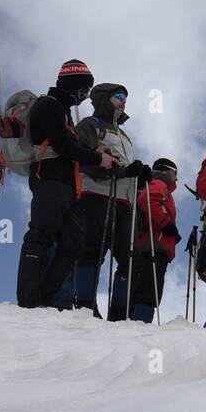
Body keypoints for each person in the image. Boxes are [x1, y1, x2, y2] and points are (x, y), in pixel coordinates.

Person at [16, 59, 116, 308]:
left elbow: (66, 142)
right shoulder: (48, 105)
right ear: (74, 84)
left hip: (69, 184)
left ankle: (46, 296)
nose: (86, 96)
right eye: (85, 89)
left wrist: (93, 149)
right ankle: (29, 299)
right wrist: (96, 157)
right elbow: (62, 144)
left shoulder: (61, 109)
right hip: (49, 178)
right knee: (41, 233)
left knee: (73, 242)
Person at [72, 83, 151, 318]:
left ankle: (119, 311)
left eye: (125, 97)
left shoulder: (123, 134)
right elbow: (82, 160)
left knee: (130, 257)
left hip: (124, 201)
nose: (123, 101)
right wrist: (119, 171)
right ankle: (85, 305)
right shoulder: (90, 125)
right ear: (104, 99)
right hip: (95, 195)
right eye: (119, 96)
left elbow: (123, 165)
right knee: (91, 252)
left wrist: (139, 175)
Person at [130, 159, 181, 322]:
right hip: (155, 245)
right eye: (175, 173)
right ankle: (141, 323)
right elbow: (147, 199)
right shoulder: (159, 183)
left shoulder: (155, 183)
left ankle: (135, 321)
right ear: (167, 171)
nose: (176, 178)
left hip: (150, 243)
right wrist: (166, 224)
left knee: (145, 286)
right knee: (150, 288)